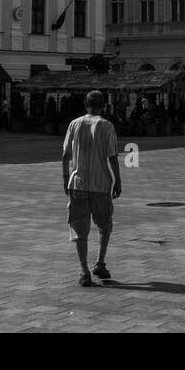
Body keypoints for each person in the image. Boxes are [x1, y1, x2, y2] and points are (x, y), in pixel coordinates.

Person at [61, 91, 122, 287]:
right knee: (104, 225)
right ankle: (100, 263)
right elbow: (112, 156)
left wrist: (65, 178)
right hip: (101, 183)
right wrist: (117, 180)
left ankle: (83, 270)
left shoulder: (74, 124)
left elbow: (65, 155)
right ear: (103, 106)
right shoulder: (106, 126)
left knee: (80, 228)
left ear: (86, 105)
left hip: (78, 183)